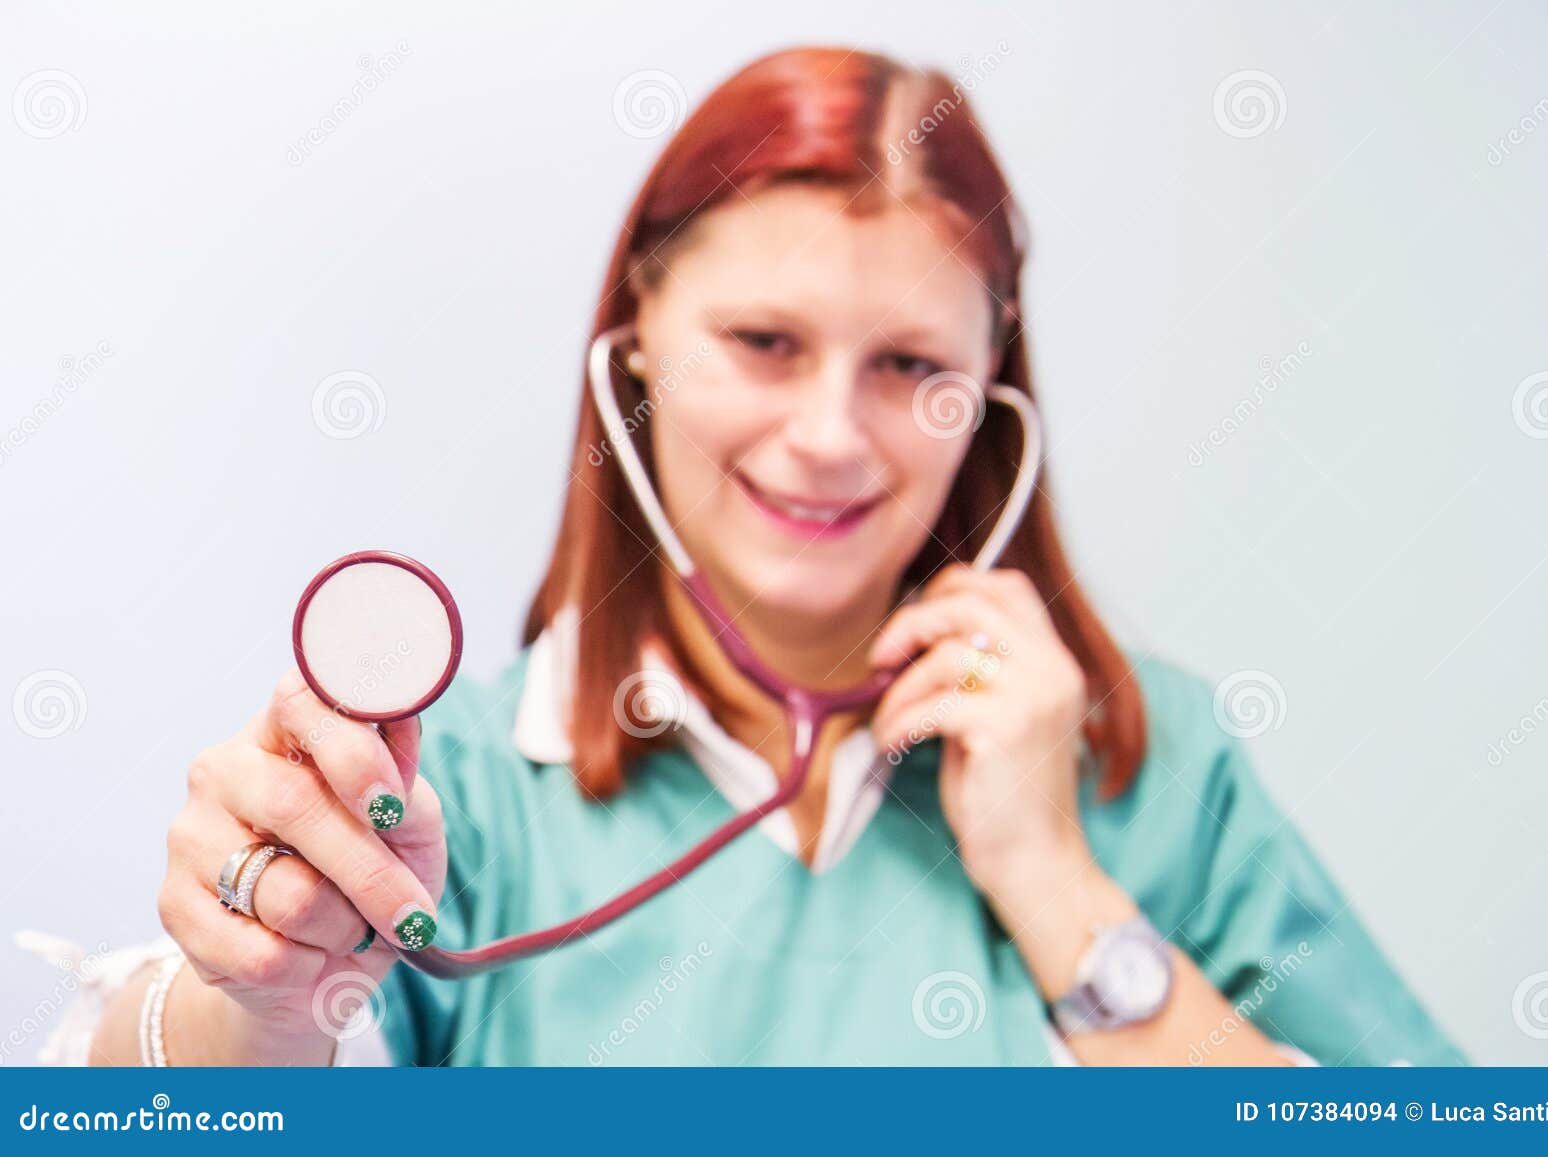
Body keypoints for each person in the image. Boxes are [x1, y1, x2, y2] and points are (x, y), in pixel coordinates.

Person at [61, 46, 1464, 1066]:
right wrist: (255, 998)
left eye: (910, 365)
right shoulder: (452, 800)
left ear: (988, 397)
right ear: (637, 347)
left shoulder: (1148, 772)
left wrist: (1055, 883)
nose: (829, 437)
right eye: (764, 342)